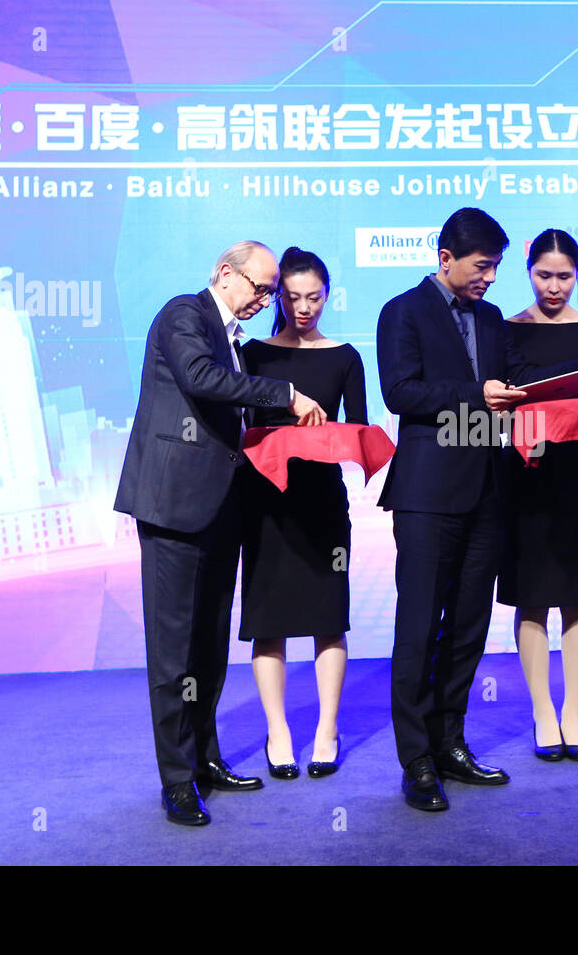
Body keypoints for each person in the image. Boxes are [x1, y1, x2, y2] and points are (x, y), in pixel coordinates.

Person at [376, 207, 578, 812]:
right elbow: (401, 392)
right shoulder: (402, 310)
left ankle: (452, 742)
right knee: (420, 624)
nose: (489, 278)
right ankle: (417, 760)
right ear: (445, 258)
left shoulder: (489, 318)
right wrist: (473, 394)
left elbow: (521, 383)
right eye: (482, 267)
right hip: (428, 493)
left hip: (490, 488)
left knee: (470, 625)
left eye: (497, 268)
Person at [114, 240, 326, 826]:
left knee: (207, 646)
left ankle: (206, 759)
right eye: (259, 288)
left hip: (218, 508)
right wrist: (283, 394)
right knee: (172, 651)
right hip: (171, 508)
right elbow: (202, 379)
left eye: (271, 292)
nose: (266, 299)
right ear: (225, 274)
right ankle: (177, 780)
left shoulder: (232, 335)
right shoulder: (185, 314)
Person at [238, 247, 365, 781]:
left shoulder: (346, 356)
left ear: (328, 294)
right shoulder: (254, 355)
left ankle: (326, 730)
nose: (303, 307)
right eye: (291, 297)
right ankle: (279, 731)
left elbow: (358, 429)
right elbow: (236, 426)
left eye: (313, 297)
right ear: (276, 297)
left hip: (322, 502)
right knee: (269, 623)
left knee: (327, 618)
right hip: (266, 502)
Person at [497, 228, 578, 762]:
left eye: (565, 276)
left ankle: (574, 714)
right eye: (544, 275)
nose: (554, 286)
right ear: (528, 271)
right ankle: (543, 712)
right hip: (524, 473)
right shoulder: (505, 330)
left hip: (577, 474)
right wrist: (571, 381)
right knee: (531, 595)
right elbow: (511, 393)